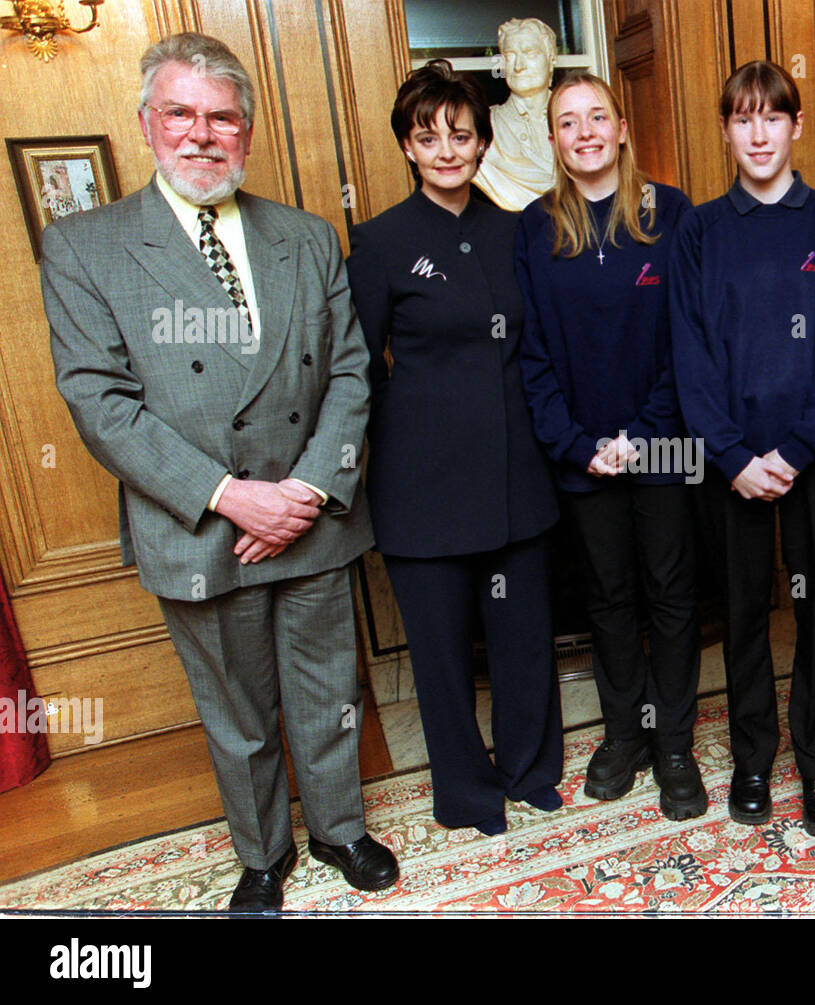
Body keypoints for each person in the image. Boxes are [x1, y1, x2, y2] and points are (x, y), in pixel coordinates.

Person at [41, 32, 397, 912]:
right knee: (237, 709)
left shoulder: (306, 237)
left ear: (247, 130)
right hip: (201, 522)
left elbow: (352, 371)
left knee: (326, 690)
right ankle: (262, 854)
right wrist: (233, 497)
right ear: (146, 124)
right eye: (181, 114)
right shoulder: (85, 246)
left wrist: (309, 490)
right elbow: (100, 403)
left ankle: (339, 828)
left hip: (311, 514)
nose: (202, 135)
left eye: (223, 118)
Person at [346, 60, 562, 838]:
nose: (445, 149)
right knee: (440, 656)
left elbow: (543, 351)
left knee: (522, 640)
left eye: (460, 135)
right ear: (408, 145)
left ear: (481, 143)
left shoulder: (518, 231)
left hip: (516, 480)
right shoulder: (379, 242)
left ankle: (531, 770)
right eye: (427, 135)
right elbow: (358, 371)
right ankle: (468, 795)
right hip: (423, 487)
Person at [670, 60, 815, 836]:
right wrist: (732, 454)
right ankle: (753, 759)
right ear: (725, 130)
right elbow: (689, 349)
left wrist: (799, 446)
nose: (758, 133)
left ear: (797, 126)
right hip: (734, 464)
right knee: (746, 615)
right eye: (742, 118)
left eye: (772, 116)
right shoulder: (699, 230)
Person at [515, 72, 703, 819]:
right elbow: (529, 354)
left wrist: (643, 436)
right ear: (555, 139)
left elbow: (688, 341)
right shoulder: (533, 229)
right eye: (569, 122)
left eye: (598, 117)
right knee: (610, 599)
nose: (586, 131)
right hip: (581, 455)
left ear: (623, 128)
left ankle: (677, 744)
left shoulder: (673, 215)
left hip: (662, 449)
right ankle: (627, 735)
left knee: (671, 595)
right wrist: (578, 444)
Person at [474, 17, 558, 210]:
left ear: (551, 59)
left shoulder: (577, 123)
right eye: (510, 55)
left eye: (530, 52)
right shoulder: (484, 126)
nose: (519, 65)